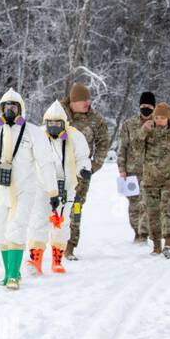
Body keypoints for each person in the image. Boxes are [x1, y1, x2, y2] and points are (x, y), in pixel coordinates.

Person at [0, 88, 56, 289]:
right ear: (0, 109)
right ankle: (9, 271)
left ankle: (12, 275)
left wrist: (53, 192)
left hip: (24, 189)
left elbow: (45, 162)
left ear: (21, 109)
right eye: (6, 106)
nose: (10, 110)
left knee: (17, 227)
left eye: (14, 106)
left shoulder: (33, 132)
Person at [28, 100, 91, 275]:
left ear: (64, 123)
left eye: (58, 123)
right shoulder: (38, 136)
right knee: (39, 220)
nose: (54, 126)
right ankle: (35, 259)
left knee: (61, 224)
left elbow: (83, 157)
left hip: (67, 186)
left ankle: (57, 260)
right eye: (51, 123)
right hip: (43, 186)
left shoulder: (75, 136)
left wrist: (84, 170)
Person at [63, 82, 110, 260]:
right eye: (83, 100)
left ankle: (70, 246)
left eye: (88, 100)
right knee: (56, 207)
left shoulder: (95, 119)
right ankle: (52, 245)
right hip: (59, 171)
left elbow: (103, 143)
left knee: (75, 207)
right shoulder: (59, 113)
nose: (87, 103)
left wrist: (93, 166)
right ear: (73, 101)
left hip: (81, 173)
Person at [139, 102, 170, 258]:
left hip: (169, 181)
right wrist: (142, 132)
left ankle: (168, 244)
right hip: (150, 181)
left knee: (167, 211)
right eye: (157, 117)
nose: (160, 120)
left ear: (168, 119)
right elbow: (135, 149)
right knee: (152, 213)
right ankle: (156, 246)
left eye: (163, 118)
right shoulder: (147, 134)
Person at [116, 91, 157, 243]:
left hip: (151, 171)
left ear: (154, 107)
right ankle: (137, 233)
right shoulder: (129, 124)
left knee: (148, 203)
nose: (145, 108)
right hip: (132, 171)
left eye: (148, 106)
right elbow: (123, 148)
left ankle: (147, 233)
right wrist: (122, 169)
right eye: (143, 105)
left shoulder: (158, 124)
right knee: (134, 205)